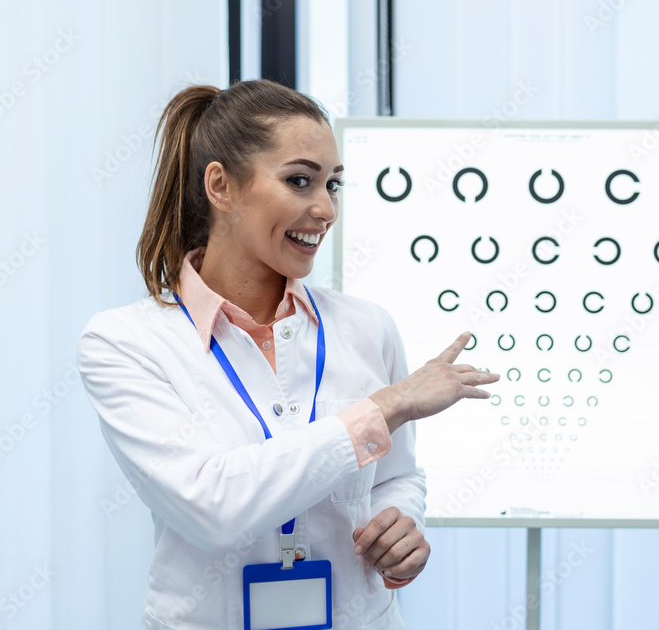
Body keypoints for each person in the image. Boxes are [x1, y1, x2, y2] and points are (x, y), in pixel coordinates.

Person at [76, 78, 499, 629]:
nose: (326, 209)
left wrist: (399, 522)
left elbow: (397, 475)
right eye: (300, 181)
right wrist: (385, 407)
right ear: (221, 187)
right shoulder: (125, 343)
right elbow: (214, 508)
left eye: (333, 185)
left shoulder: (367, 327)